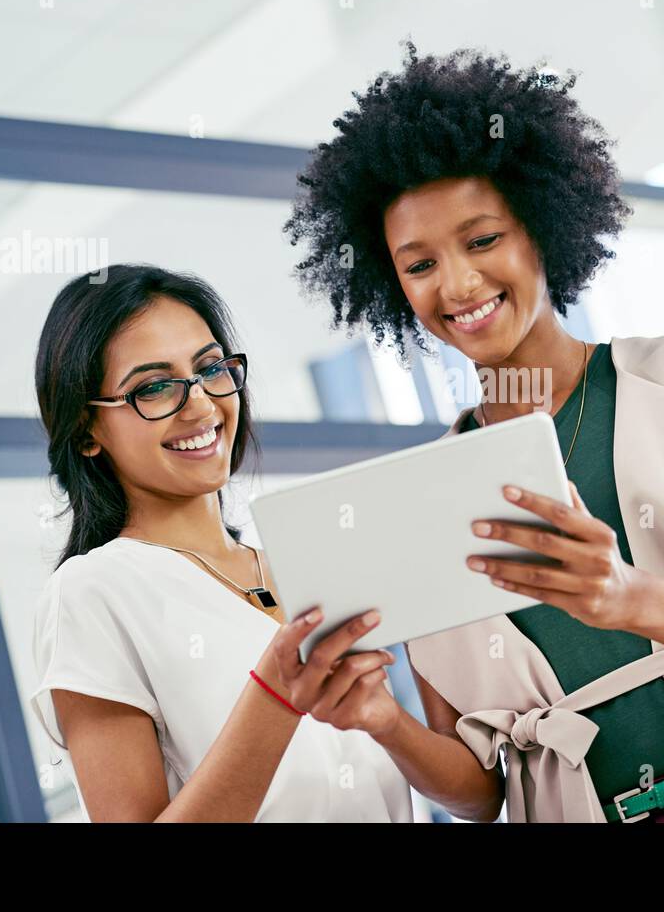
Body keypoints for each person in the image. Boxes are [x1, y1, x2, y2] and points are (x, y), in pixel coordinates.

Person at [283, 42, 664, 822]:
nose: (459, 285)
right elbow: (480, 792)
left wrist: (632, 598)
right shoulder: (425, 499)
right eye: (419, 265)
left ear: (543, 226)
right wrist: (384, 721)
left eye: (483, 240)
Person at [29, 264, 501, 821]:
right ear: (86, 431)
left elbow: (481, 800)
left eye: (210, 369)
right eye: (153, 388)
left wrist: (386, 721)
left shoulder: (301, 564)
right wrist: (275, 697)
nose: (202, 406)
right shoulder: (92, 593)